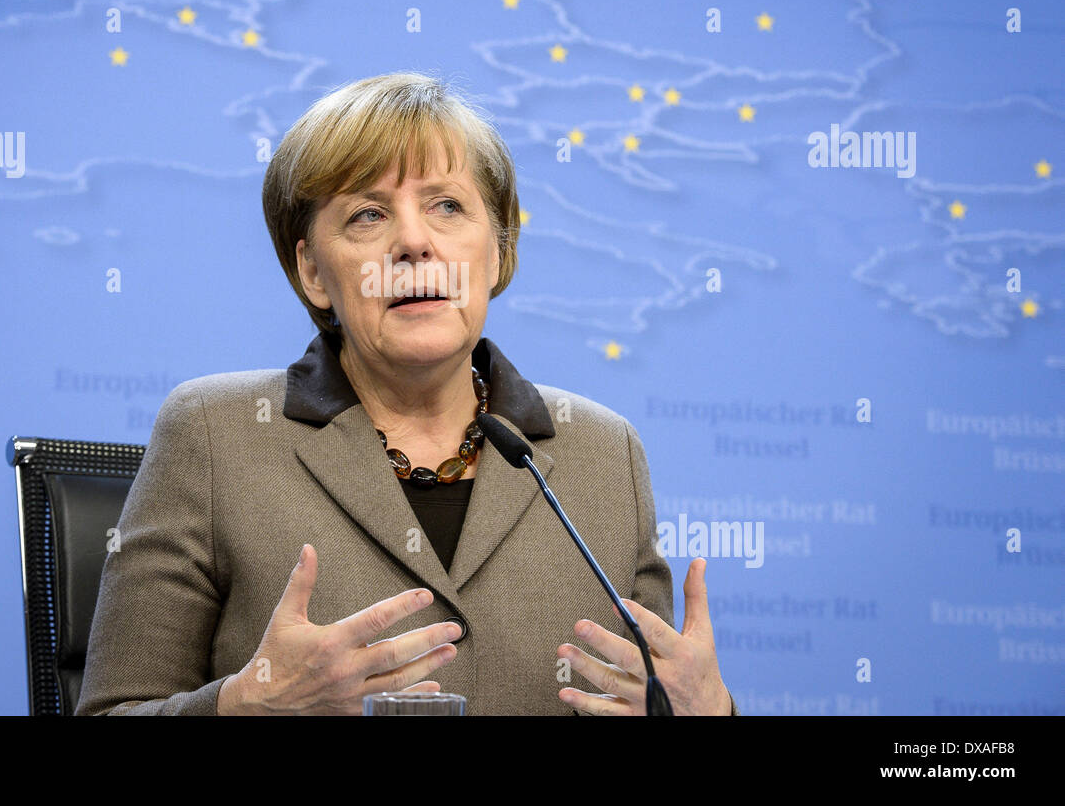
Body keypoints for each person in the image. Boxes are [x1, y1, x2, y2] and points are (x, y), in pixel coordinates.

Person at [76, 72, 737, 715]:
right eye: (367, 214)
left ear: (499, 249)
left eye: (447, 205)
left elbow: (656, 698)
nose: (415, 242)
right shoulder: (214, 434)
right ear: (312, 270)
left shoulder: (603, 453)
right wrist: (251, 704)